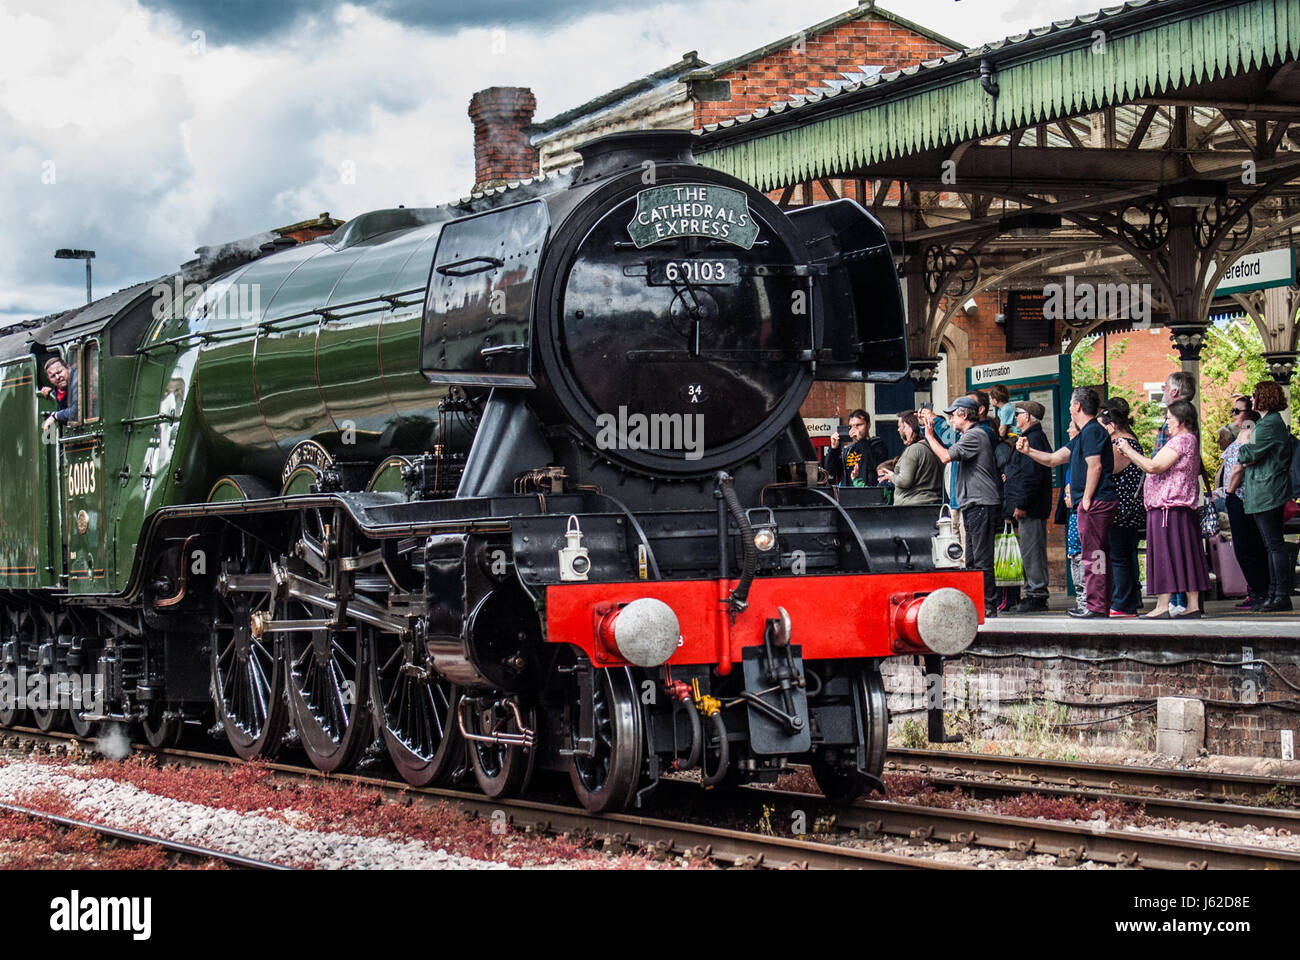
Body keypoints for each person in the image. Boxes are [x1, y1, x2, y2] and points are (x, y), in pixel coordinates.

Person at [1016, 387, 1117, 617]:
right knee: (1095, 554)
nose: (1070, 408)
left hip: (1095, 502)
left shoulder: (1092, 432)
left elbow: (1095, 466)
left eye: (1071, 404)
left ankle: (1095, 606)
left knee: (1093, 556)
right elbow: (1054, 459)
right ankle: (1099, 603)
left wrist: (1087, 500)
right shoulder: (1085, 434)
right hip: (1093, 501)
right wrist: (1029, 451)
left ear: (1077, 406)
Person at [1123, 400, 1210, 618]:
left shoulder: (1180, 441)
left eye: (1170, 419)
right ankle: (1192, 605)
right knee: (1186, 555)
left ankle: (1163, 606)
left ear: (1182, 420)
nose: (1167, 423)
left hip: (1167, 509)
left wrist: (1127, 450)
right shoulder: (1191, 441)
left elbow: (1153, 466)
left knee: (1165, 555)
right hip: (1180, 508)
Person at [924, 396, 1003, 617]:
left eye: (953, 414)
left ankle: (988, 605)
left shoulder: (974, 435)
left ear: (964, 415)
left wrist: (930, 435)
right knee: (971, 559)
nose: (950, 419)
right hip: (974, 502)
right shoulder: (970, 435)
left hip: (981, 502)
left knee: (981, 557)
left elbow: (945, 456)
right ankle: (976, 602)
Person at [1237, 380, 1294, 612]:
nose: (1251, 399)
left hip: (1268, 491)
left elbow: (1248, 454)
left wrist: (1242, 442)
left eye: (1254, 394)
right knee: (1271, 545)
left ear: (1264, 397)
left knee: (1274, 545)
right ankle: (1274, 593)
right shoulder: (1268, 423)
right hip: (1265, 489)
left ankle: (1280, 594)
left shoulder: (1269, 425)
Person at [1002, 400, 1052, 613]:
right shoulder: (1029, 438)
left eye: (1019, 413)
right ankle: (1033, 591)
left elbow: (1032, 476)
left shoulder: (1035, 439)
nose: (1016, 418)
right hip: (1027, 506)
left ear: (1029, 417)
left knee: (1032, 551)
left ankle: (1037, 594)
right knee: (1029, 550)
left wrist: (1021, 504)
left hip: (1031, 508)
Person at [1154, 371, 1197, 614]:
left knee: (1174, 549)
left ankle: (1177, 602)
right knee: (1181, 549)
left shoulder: (1181, 423)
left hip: (1172, 497)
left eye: (1166, 385)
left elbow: (1158, 462)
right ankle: (1182, 601)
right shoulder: (1188, 419)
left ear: (1175, 392)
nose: (1162, 388)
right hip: (1175, 495)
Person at [1099, 398, 1146, 617]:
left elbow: (1107, 470)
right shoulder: (1131, 440)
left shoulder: (1120, 445)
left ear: (1112, 424)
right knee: (1126, 554)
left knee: (1119, 556)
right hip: (1129, 507)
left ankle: (1122, 602)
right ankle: (1128, 600)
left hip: (1122, 508)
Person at [1222, 407, 1268, 608]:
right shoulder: (1241, 433)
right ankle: (1255, 589)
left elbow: (1241, 464)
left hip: (1240, 496)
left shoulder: (1249, 431)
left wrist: (1230, 490)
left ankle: (1259, 590)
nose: (1232, 414)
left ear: (1248, 415)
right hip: (1237, 496)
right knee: (1246, 546)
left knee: (1246, 546)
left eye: (1237, 410)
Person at [877, 410, 942, 505]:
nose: (899, 430)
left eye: (900, 426)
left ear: (910, 427)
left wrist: (892, 476)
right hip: (934, 505)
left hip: (911, 508)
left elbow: (904, 481)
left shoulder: (913, 450)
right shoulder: (935, 447)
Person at [825, 408, 887, 487]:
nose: (855, 429)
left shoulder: (877, 445)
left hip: (867, 492)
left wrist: (861, 439)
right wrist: (833, 449)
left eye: (859, 425)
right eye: (851, 426)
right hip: (848, 493)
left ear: (868, 425)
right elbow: (830, 471)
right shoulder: (847, 450)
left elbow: (873, 465)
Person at [39, 355, 77, 433]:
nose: (57, 377)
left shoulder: (78, 381)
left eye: (59, 372)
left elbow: (78, 411)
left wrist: (55, 416)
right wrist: (52, 394)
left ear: (68, 368)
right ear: (49, 380)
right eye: (52, 376)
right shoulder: (57, 392)